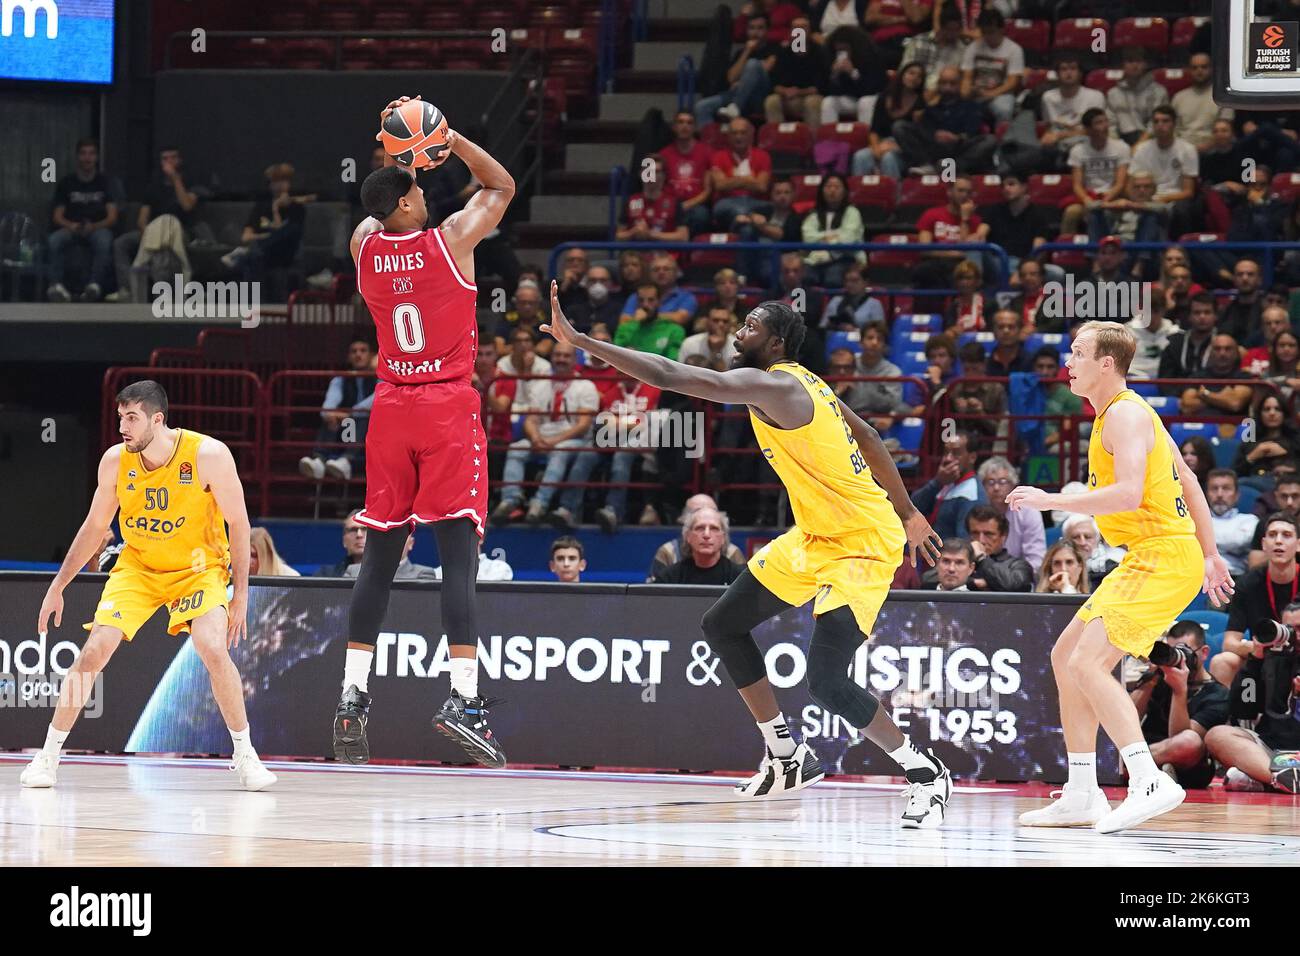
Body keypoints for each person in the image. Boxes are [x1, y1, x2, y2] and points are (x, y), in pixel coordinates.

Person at [543, 285, 955, 827]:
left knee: (826, 682)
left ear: (776, 341)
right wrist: (910, 511)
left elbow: (673, 376)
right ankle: (785, 754)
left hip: (861, 543)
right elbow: (872, 436)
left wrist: (581, 341)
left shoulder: (778, 386)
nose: (741, 330)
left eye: (753, 324)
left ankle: (925, 772)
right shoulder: (809, 382)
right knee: (723, 623)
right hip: (816, 536)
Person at [332, 95, 514, 769]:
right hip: (444, 408)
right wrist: (449, 136)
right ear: (407, 205)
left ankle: (352, 700)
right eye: (417, 187)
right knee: (456, 555)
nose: (426, 193)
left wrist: (396, 156)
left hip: (389, 408)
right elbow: (502, 185)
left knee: (378, 558)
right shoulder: (453, 241)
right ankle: (463, 701)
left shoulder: (363, 246)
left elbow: (375, 206)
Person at [1007, 320, 1234, 833]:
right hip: (1152, 554)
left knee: (1089, 662)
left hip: (1160, 555)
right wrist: (1212, 553)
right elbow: (1189, 479)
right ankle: (1083, 792)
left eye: (1078, 352)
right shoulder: (1131, 413)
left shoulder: (1126, 416)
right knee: (1066, 658)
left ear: (1106, 363)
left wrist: (1052, 500)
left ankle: (1147, 778)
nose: (1068, 361)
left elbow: (1130, 493)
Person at [23, 381, 276, 791]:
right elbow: (94, 527)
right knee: (93, 652)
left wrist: (242, 593)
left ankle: (245, 755)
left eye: (132, 418)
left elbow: (240, 523)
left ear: (157, 420)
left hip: (198, 568)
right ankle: (47, 757)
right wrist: (58, 585)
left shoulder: (208, 455)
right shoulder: (115, 462)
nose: (123, 426)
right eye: (120, 417)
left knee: (212, 646)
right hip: (138, 567)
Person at [492, 341, 599, 528]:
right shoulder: (540, 384)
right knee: (517, 448)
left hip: (573, 441)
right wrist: (535, 438)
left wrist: (553, 441)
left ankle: (539, 504)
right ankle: (510, 500)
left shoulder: (586, 386)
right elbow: (531, 420)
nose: (561, 359)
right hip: (541, 439)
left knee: (560, 450)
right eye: (557, 355)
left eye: (566, 356)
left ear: (575, 359)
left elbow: (583, 425)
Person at [1206, 599, 1300, 794]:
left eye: (1299, 629)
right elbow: (1243, 709)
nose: (1293, 635)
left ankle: (1262, 778)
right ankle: (1281, 778)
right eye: (1288, 628)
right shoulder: (1271, 658)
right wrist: (1255, 661)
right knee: (1217, 735)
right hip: (1272, 752)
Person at [1130, 621, 1232, 790]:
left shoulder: (1218, 695)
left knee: (1189, 741)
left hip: (1187, 769)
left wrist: (1179, 691)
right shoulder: (1159, 678)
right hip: (1151, 749)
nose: (1179, 659)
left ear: (1204, 652)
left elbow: (1182, 739)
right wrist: (1151, 678)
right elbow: (1128, 718)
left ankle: (1127, 766)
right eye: (1173, 651)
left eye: (1184, 651)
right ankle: (1142, 768)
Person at [1212, 513, 1299, 686]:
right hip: (1261, 659)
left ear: (1298, 545)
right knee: (1223, 661)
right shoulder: (1247, 584)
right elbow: (1229, 643)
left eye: (1286, 535)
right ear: (1264, 544)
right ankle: (1235, 712)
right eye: (1273, 535)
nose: (1279, 541)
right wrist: (1255, 647)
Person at [107, 147, 198, 303]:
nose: (169, 162)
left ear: (179, 160)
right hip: (151, 232)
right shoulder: (153, 186)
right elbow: (142, 220)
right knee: (120, 243)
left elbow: (187, 205)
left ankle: (165, 295)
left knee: (166, 231)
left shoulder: (190, 183)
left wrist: (176, 179)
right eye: (165, 158)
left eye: (172, 157)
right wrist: (148, 233)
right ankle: (128, 288)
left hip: (179, 232)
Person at [46, 138, 118, 302]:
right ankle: (56, 286)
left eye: (91, 154)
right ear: (77, 156)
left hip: (96, 227)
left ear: (97, 157)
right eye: (84, 153)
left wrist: (94, 226)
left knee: (104, 241)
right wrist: (71, 225)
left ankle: (94, 285)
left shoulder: (105, 183)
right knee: (54, 240)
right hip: (72, 227)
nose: (87, 158)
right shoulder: (66, 183)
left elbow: (112, 217)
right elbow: (57, 216)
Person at [891, 66, 997, 176]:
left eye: (952, 83)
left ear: (959, 84)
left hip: (959, 148)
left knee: (990, 140)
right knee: (900, 127)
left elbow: (973, 131)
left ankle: (950, 168)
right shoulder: (930, 108)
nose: (947, 87)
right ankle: (927, 166)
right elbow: (925, 130)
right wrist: (935, 134)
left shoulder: (971, 106)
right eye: (944, 83)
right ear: (938, 85)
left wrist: (957, 137)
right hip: (934, 149)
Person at [299, 337, 376, 482]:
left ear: (371, 355)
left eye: (363, 351)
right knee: (330, 418)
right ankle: (319, 461)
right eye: (354, 351)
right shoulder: (340, 379)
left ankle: (347, 460)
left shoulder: (381, 378)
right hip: (348, 430)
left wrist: (350, 413)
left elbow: (374, 402)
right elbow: (327, 407)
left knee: (364, 416)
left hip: (372, 433)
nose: (358, 354)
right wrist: (331, 414)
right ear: (349, 357)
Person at [1064, 108, 1131, 236]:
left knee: (1103, 212)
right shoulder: (1077, 151)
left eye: (1105, 121)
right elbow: (1077, 185)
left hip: (1113, 196)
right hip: (1089, 197)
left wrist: (1104, 201)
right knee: (1071, 212)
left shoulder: (1121, 147)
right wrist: (1087, 200)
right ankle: (1066, 251)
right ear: (1088, 129)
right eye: (1099, 123)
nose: (1105, 126)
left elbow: (1120, 183)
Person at [648, 493, 747, 579]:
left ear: (723, 536)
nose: (706, 534)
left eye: (714, 528)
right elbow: (652, 594)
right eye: (700, 527)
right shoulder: (668, 552)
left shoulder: (733, 553)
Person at [910, 429, 984, 542]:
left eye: (956, 453)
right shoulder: (946, 482)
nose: (948, 458)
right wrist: (937, 482)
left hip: (948, 558)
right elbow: (912, 508)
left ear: (972, 457)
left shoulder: (971, 494)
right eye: (946, 452)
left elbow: (964, 542)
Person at [978, 456, 1044, 571]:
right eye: (990, 482)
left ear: (1013, 485)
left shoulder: (1028, 512)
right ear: (982, 486)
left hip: (1020, 579)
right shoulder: (977, 512)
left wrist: (1012, 579)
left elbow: (1036, 560)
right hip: (983, 576)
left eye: (1003, 482)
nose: (996, 488)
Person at [958, 7, 1023, 124]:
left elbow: (1012, 82)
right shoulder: (973, 47)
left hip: (1001, 93)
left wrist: (990, 94)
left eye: (991, 32)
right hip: (978, 91)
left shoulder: (1014, 50)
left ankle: (1001, 139)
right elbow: (967, 77)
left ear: (1001, 29)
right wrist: (965, 93)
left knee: (1003, 109)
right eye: (984, 32)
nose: (987, 36)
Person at [800, 173, 865, 287]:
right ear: (822, 190)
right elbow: (808, 238)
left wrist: (821, 239)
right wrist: (834, 236)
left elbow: (847, 240)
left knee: (832, 278)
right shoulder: (814, 214)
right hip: (816, 259)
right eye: (828, 186)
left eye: (837, 187)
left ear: (844, 191)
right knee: (805, 277)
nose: (832, 190)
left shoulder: (852, 212)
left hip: (845, 258)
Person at [764, 14, 828, 127]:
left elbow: (821, 86)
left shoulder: (819, 53)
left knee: (812, 102)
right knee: (771, 101)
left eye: (803, 27)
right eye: (796, 28)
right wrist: (784, 91)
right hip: (788, 98)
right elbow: (774, 83)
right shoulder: (783, 52)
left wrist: (799, 92)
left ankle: (812, 141)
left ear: (810, 31)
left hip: (810, 97)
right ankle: (777, 140)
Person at [1233, 393, 1300, 488]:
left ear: (1284, 413)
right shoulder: (1250, 439)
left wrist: (1286, 452)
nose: (1272, 413)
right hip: (1254, 487)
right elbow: (1234, 473)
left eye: (1277, 409)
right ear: (1260, 413)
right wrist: (1253, 456)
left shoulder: (1295, 440)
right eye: (1267, 409)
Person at [1105, 47, 1169, 146]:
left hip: (1151, 142)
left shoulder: (1158, 91)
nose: (1134, 65)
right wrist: (1118, 146)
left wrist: (1138, 146)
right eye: (1130, 61)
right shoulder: (1113, 93)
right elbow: (1111, 125)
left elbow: (1157, 123)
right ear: (1123, 65)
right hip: (1121, 142)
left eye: (1138, 61)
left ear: (1145, 64)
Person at [964, 505, 1033, 592]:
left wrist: (982, 558)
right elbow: (945, 580)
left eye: (988, 534)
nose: (981, 540)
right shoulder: (960, 561)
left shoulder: (1019, 565)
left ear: (1003, 536)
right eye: (975, 533)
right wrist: (974, 582)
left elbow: (1013, 586)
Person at [1206, 469, 1259, 577]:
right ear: (1207, 494)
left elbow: (1238, 541)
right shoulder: (1194, 521)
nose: (1219, 494)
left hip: (1237, 579)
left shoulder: (1249, 520)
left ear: (1237, 495)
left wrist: (1204, 542)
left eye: (1226, 488)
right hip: (1201, 579)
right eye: (1214, 489)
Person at [344, 529, 437, 581]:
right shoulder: (354, 571)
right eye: (387, 532)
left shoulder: (423, 573)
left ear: (411, 544)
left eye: (399, 533)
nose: (392, 538)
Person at [1061, 514, 1124, 584]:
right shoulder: (1059, 565)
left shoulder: (1117, 562)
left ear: (1097, 539)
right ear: (1066, 540)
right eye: (1076, 537)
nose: (1082, 542)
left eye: (1087, 537)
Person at [316, 509, 368, 577]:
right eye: (353, 530)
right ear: (344, 540)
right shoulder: (325, 575)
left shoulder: (386, 576)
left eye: (365, 529)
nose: (359, 535)